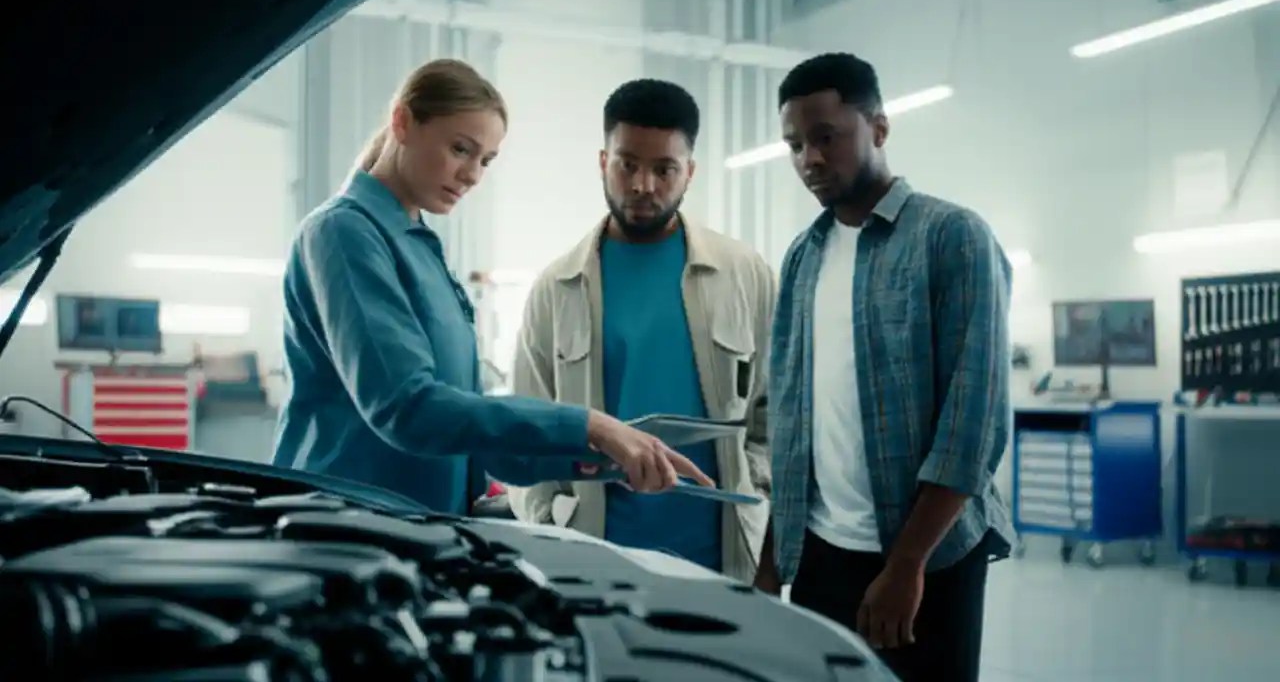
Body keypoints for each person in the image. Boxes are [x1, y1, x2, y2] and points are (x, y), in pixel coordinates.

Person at [270, 59, 712, 517]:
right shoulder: (342, 234)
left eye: (485, 160)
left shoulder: (421, 246)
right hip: (342, 530)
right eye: (461, 149)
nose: (473, 174)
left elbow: (475, 438)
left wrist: (610, 456)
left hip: (416, 530)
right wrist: (589, 426)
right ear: (402, 122)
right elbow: (408, 409)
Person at [751, 52, 1015, 682]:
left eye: (826, 137)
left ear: (880, 128)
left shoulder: (952, 237)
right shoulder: (802, 257)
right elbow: (791, 418)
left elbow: (971, 423)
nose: (809, 159)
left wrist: (905, 566)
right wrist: (770, 560)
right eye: (794, 145)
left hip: (928, 561)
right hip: (821, 554)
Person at [505, 79, 775, 581]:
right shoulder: (556, 288)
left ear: (689, 172)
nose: (643, 185)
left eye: (664, 169)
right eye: (627, 163)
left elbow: (775, 418)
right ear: (601, 161)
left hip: (721, 562)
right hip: (595, 564)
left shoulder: (745, 273)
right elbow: (525, 428)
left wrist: (755, 498)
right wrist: (550, 523)